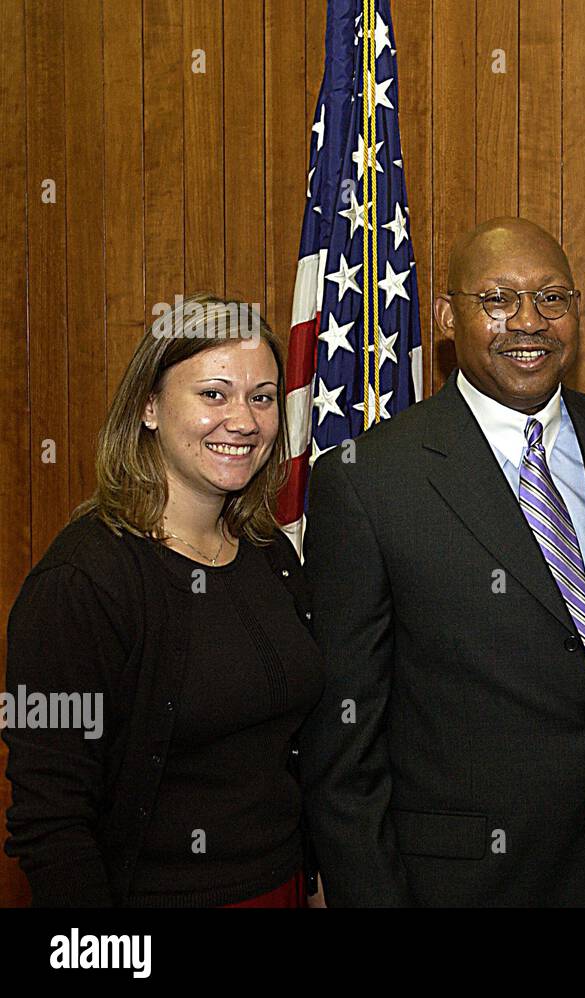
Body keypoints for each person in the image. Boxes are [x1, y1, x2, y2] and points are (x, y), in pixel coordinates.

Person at [300, 216, 585, 906]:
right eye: (497, 300)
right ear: (448, 317)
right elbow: (344, 747)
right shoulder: (368, 481)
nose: (529, 321)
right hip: (464, 884)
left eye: (552, 298)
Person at [3, 293, 324, 907]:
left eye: (261, 397)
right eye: (213, 394)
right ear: (149, 406)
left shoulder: (270, 556)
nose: (244, 420)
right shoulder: (81, 581)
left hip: (281, 888)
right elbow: (50, 820)